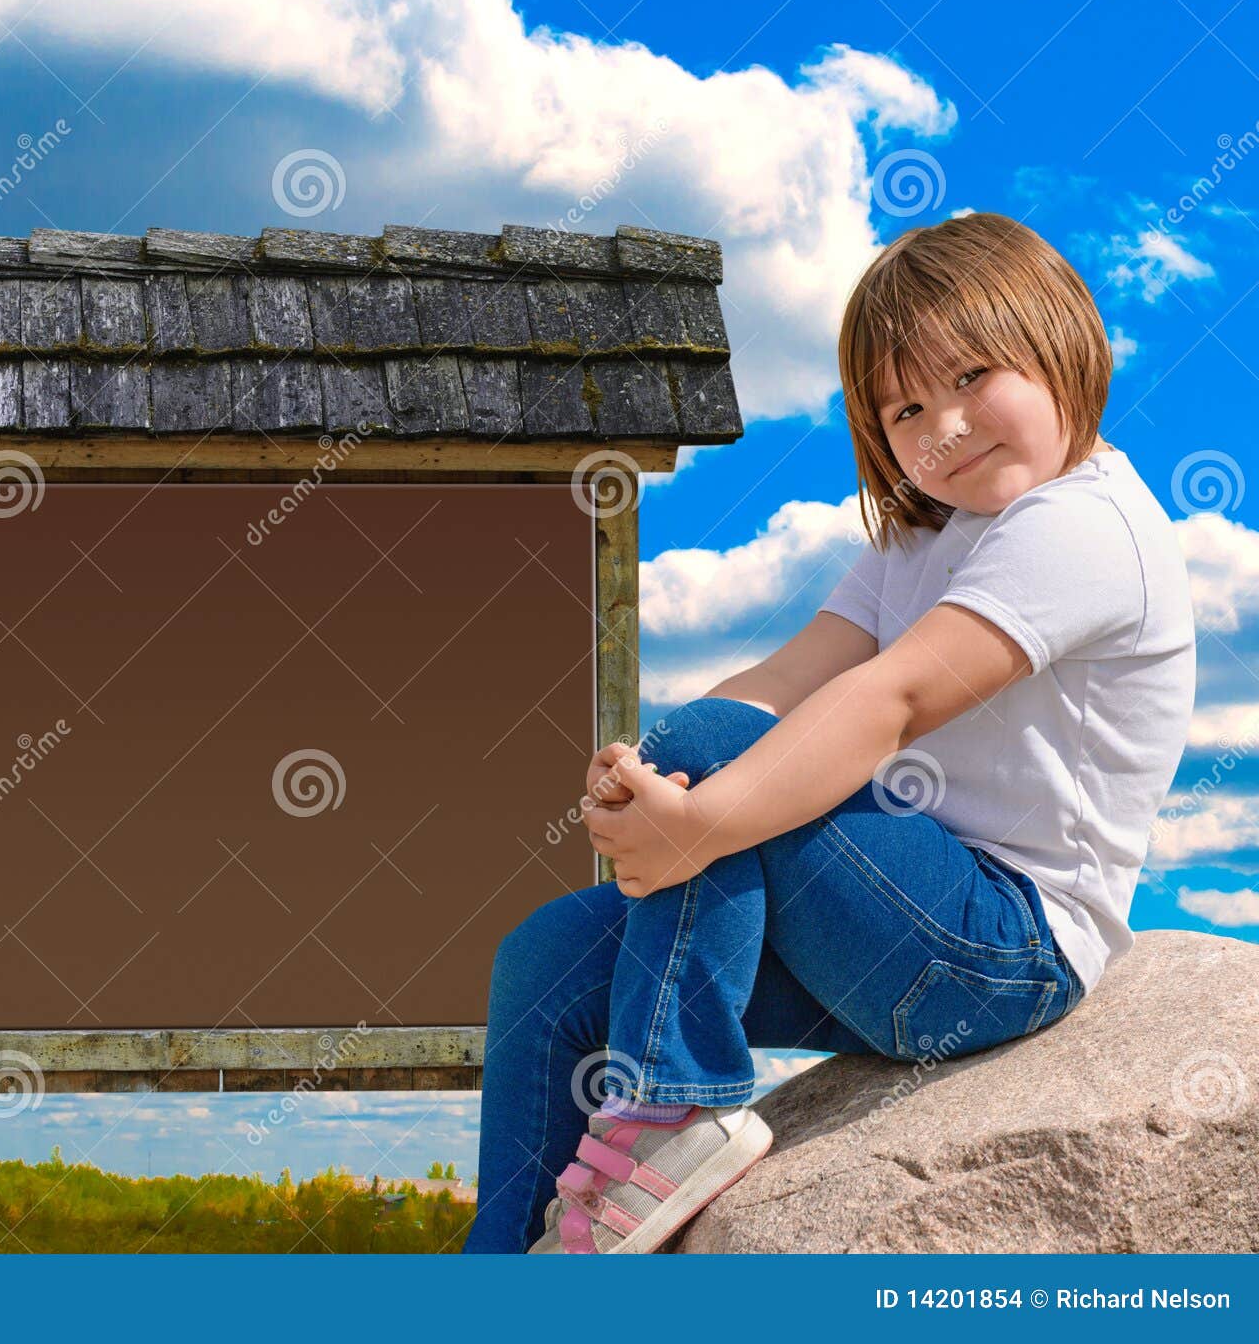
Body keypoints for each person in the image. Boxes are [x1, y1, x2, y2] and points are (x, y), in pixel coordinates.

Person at [461, 212, 1197, 1255]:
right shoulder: (919, 533)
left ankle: (672, 1108)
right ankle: (501, 1275)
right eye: (904, 407)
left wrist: (700, 813)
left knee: (722, 752)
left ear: (1063, 347)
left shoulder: (1084, 523)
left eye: (973, 376)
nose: (941, 426)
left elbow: (888, 699)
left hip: (1001, 945)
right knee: (548, 955)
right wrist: (646, 773)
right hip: (875, 922)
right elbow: (789, 677)